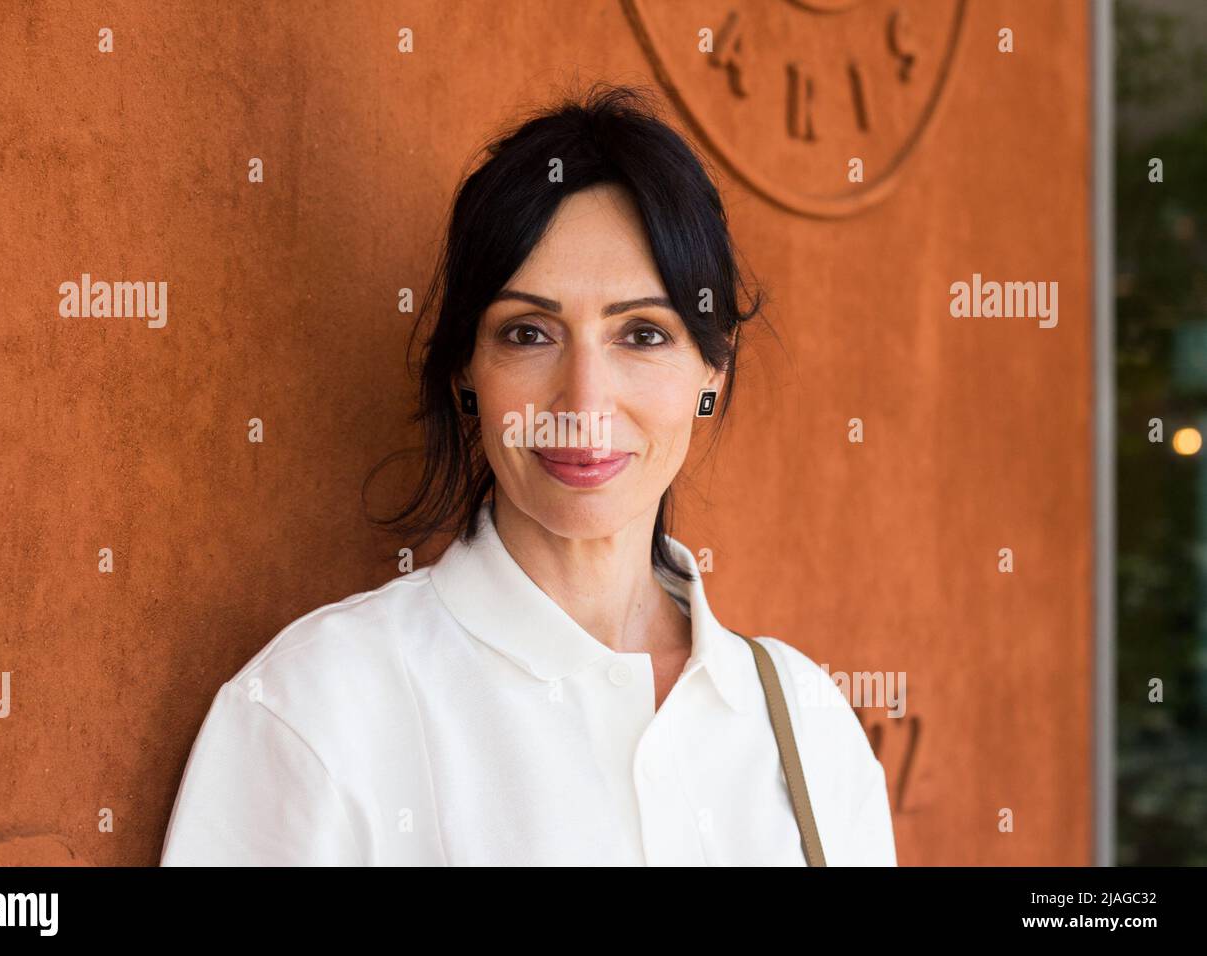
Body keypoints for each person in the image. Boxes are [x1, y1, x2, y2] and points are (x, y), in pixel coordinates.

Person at [159, 82, 897, 866]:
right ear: (466, 372)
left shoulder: (809, 726)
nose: (582, 401)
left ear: (711, 370)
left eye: (642, 334)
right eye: (530, 333)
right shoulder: (314, 713)